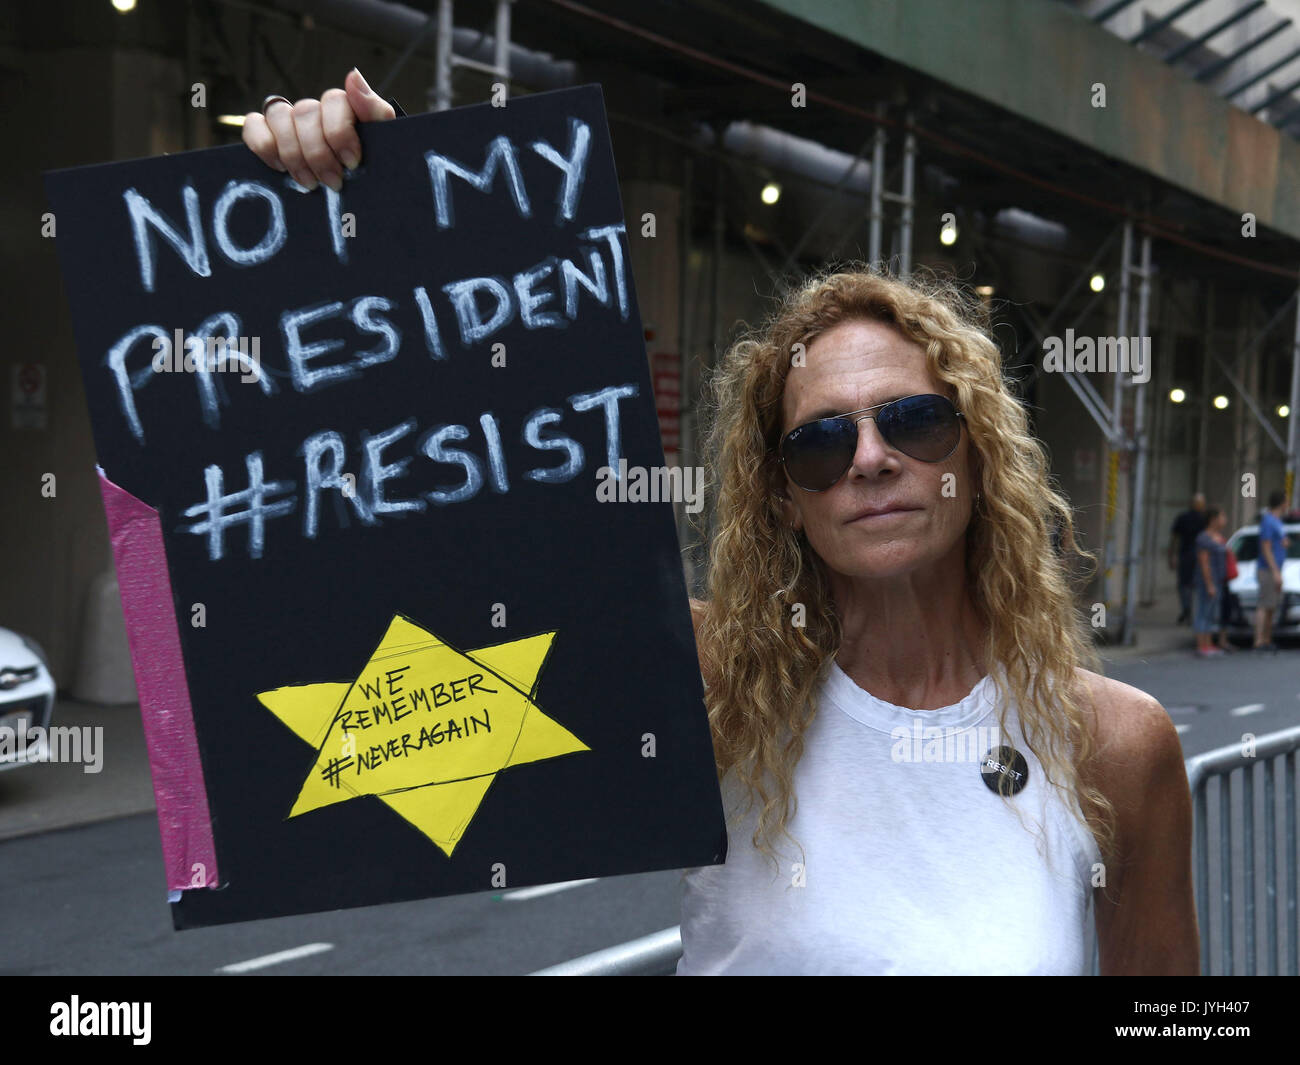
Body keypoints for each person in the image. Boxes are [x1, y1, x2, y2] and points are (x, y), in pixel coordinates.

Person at [242, 73, 1199, 975]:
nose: (870, 457)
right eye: (821, 443)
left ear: (978, 453)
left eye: (913, 420)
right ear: (783, 494)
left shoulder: (1113, 741)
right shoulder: (712, 678)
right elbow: (456, 562)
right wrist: (378, 212)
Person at [1254, 490, 1290, 652]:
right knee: (1264, 604)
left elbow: (1277, 541)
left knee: (1271, 605)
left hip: (1277, 568)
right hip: (1268, 569)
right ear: (1281, 502)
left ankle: (1267, 639)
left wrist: (1284, 543)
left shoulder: (1277, 521)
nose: (1288, 504)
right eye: (1286, 501)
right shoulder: (1268, 521)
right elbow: (1266, 547)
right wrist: (1275, 571)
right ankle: (1258, 641)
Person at [1192, 507, 1227, 658]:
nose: (1224, 520)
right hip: (1207, 581)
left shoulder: (1217, 536)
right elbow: (1204, 562)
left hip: (1218, 580)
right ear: (1213, 519)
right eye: (1222, 516)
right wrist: (1209, 584)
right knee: (1203, 612)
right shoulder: (1204, 538)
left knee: (1211, 613)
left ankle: (1208, 643)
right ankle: (1201, 645)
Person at [1168, 494, 1207, 625]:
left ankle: (1187, 609)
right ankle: (1189, 610)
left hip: (1186, 555)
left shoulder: (1184, 517)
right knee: (1191, 585)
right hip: (1195, 555)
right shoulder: (1203, 519)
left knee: (1184, 585)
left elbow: (1174, 539)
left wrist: (1172, 555)